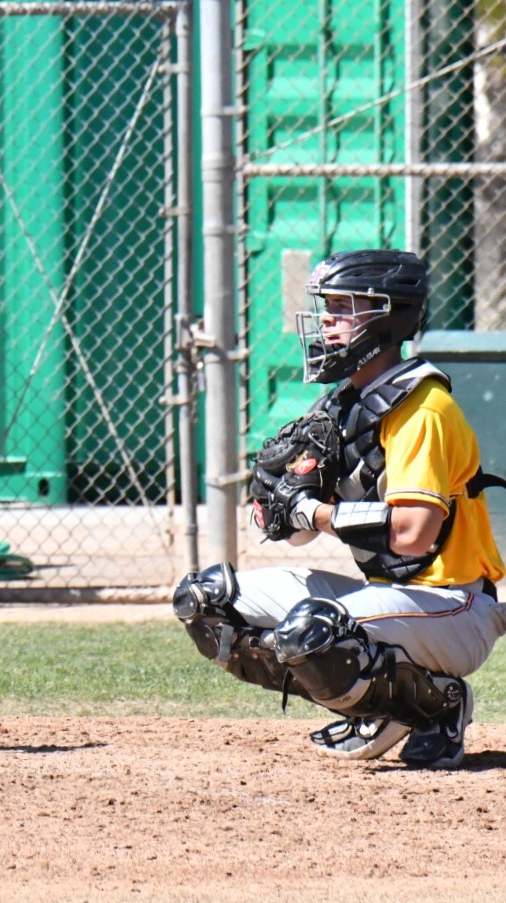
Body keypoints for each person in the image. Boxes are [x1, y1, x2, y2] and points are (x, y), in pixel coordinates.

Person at [174, 249, 506, 770]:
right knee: (207, 602)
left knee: (312, 631)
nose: (327, 321)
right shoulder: (342, 408)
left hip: (453, 607)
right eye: (326, 306)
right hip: (388, 600)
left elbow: (414, 533)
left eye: (344, 307)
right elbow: (296, 534)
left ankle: (435, 704)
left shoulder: (424, 409)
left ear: (388, 316)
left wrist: (314, 513)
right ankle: (377, 700)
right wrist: (279, 506)